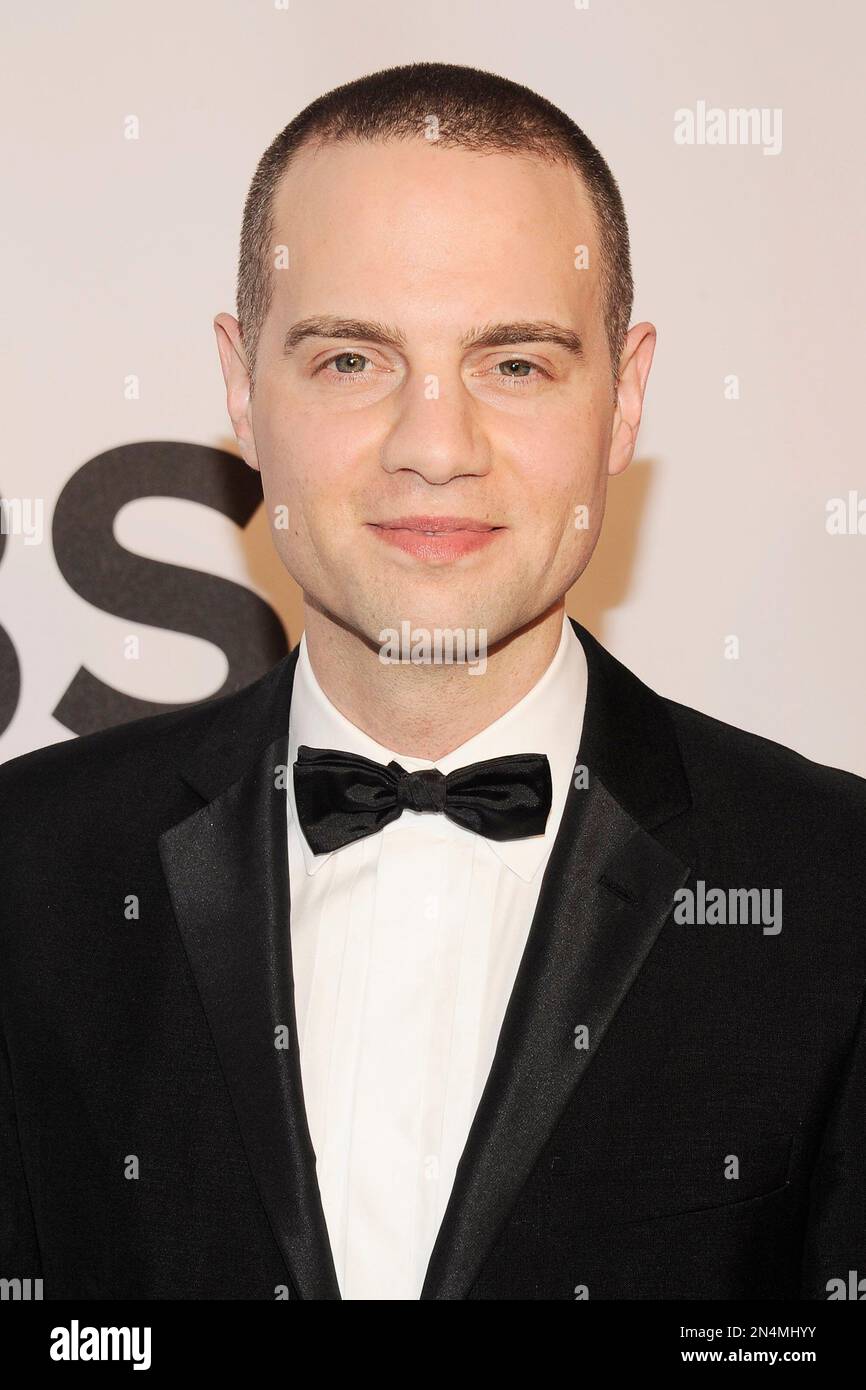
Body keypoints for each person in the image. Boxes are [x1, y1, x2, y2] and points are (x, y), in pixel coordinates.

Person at [1, 62, 864, 1302]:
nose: (434, 447)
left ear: (623, 397)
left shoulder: (833, 887)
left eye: (513, 365)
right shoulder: (28, 872)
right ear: (241, 387)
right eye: (351, 359)